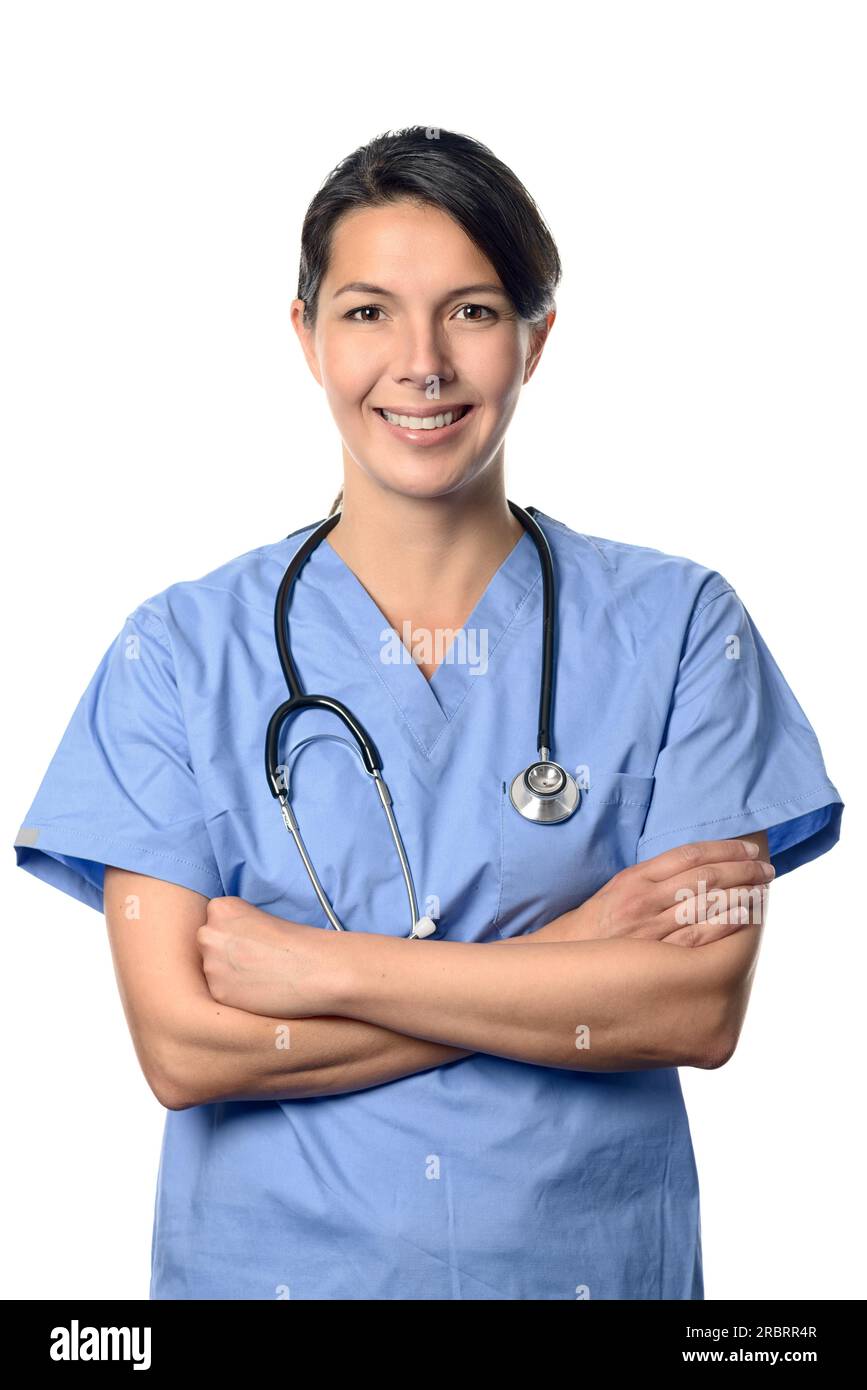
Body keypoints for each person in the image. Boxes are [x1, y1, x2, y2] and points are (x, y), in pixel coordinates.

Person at [13, 126, 843, 1301]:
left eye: (471, 310)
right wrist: (572, 952)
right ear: (303, 337)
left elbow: (696, 1006)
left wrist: (314, 968)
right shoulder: (178, 654)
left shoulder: (685, 630)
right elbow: (186, 1049)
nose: (421, 363)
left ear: (536, 337)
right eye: (366, 313)